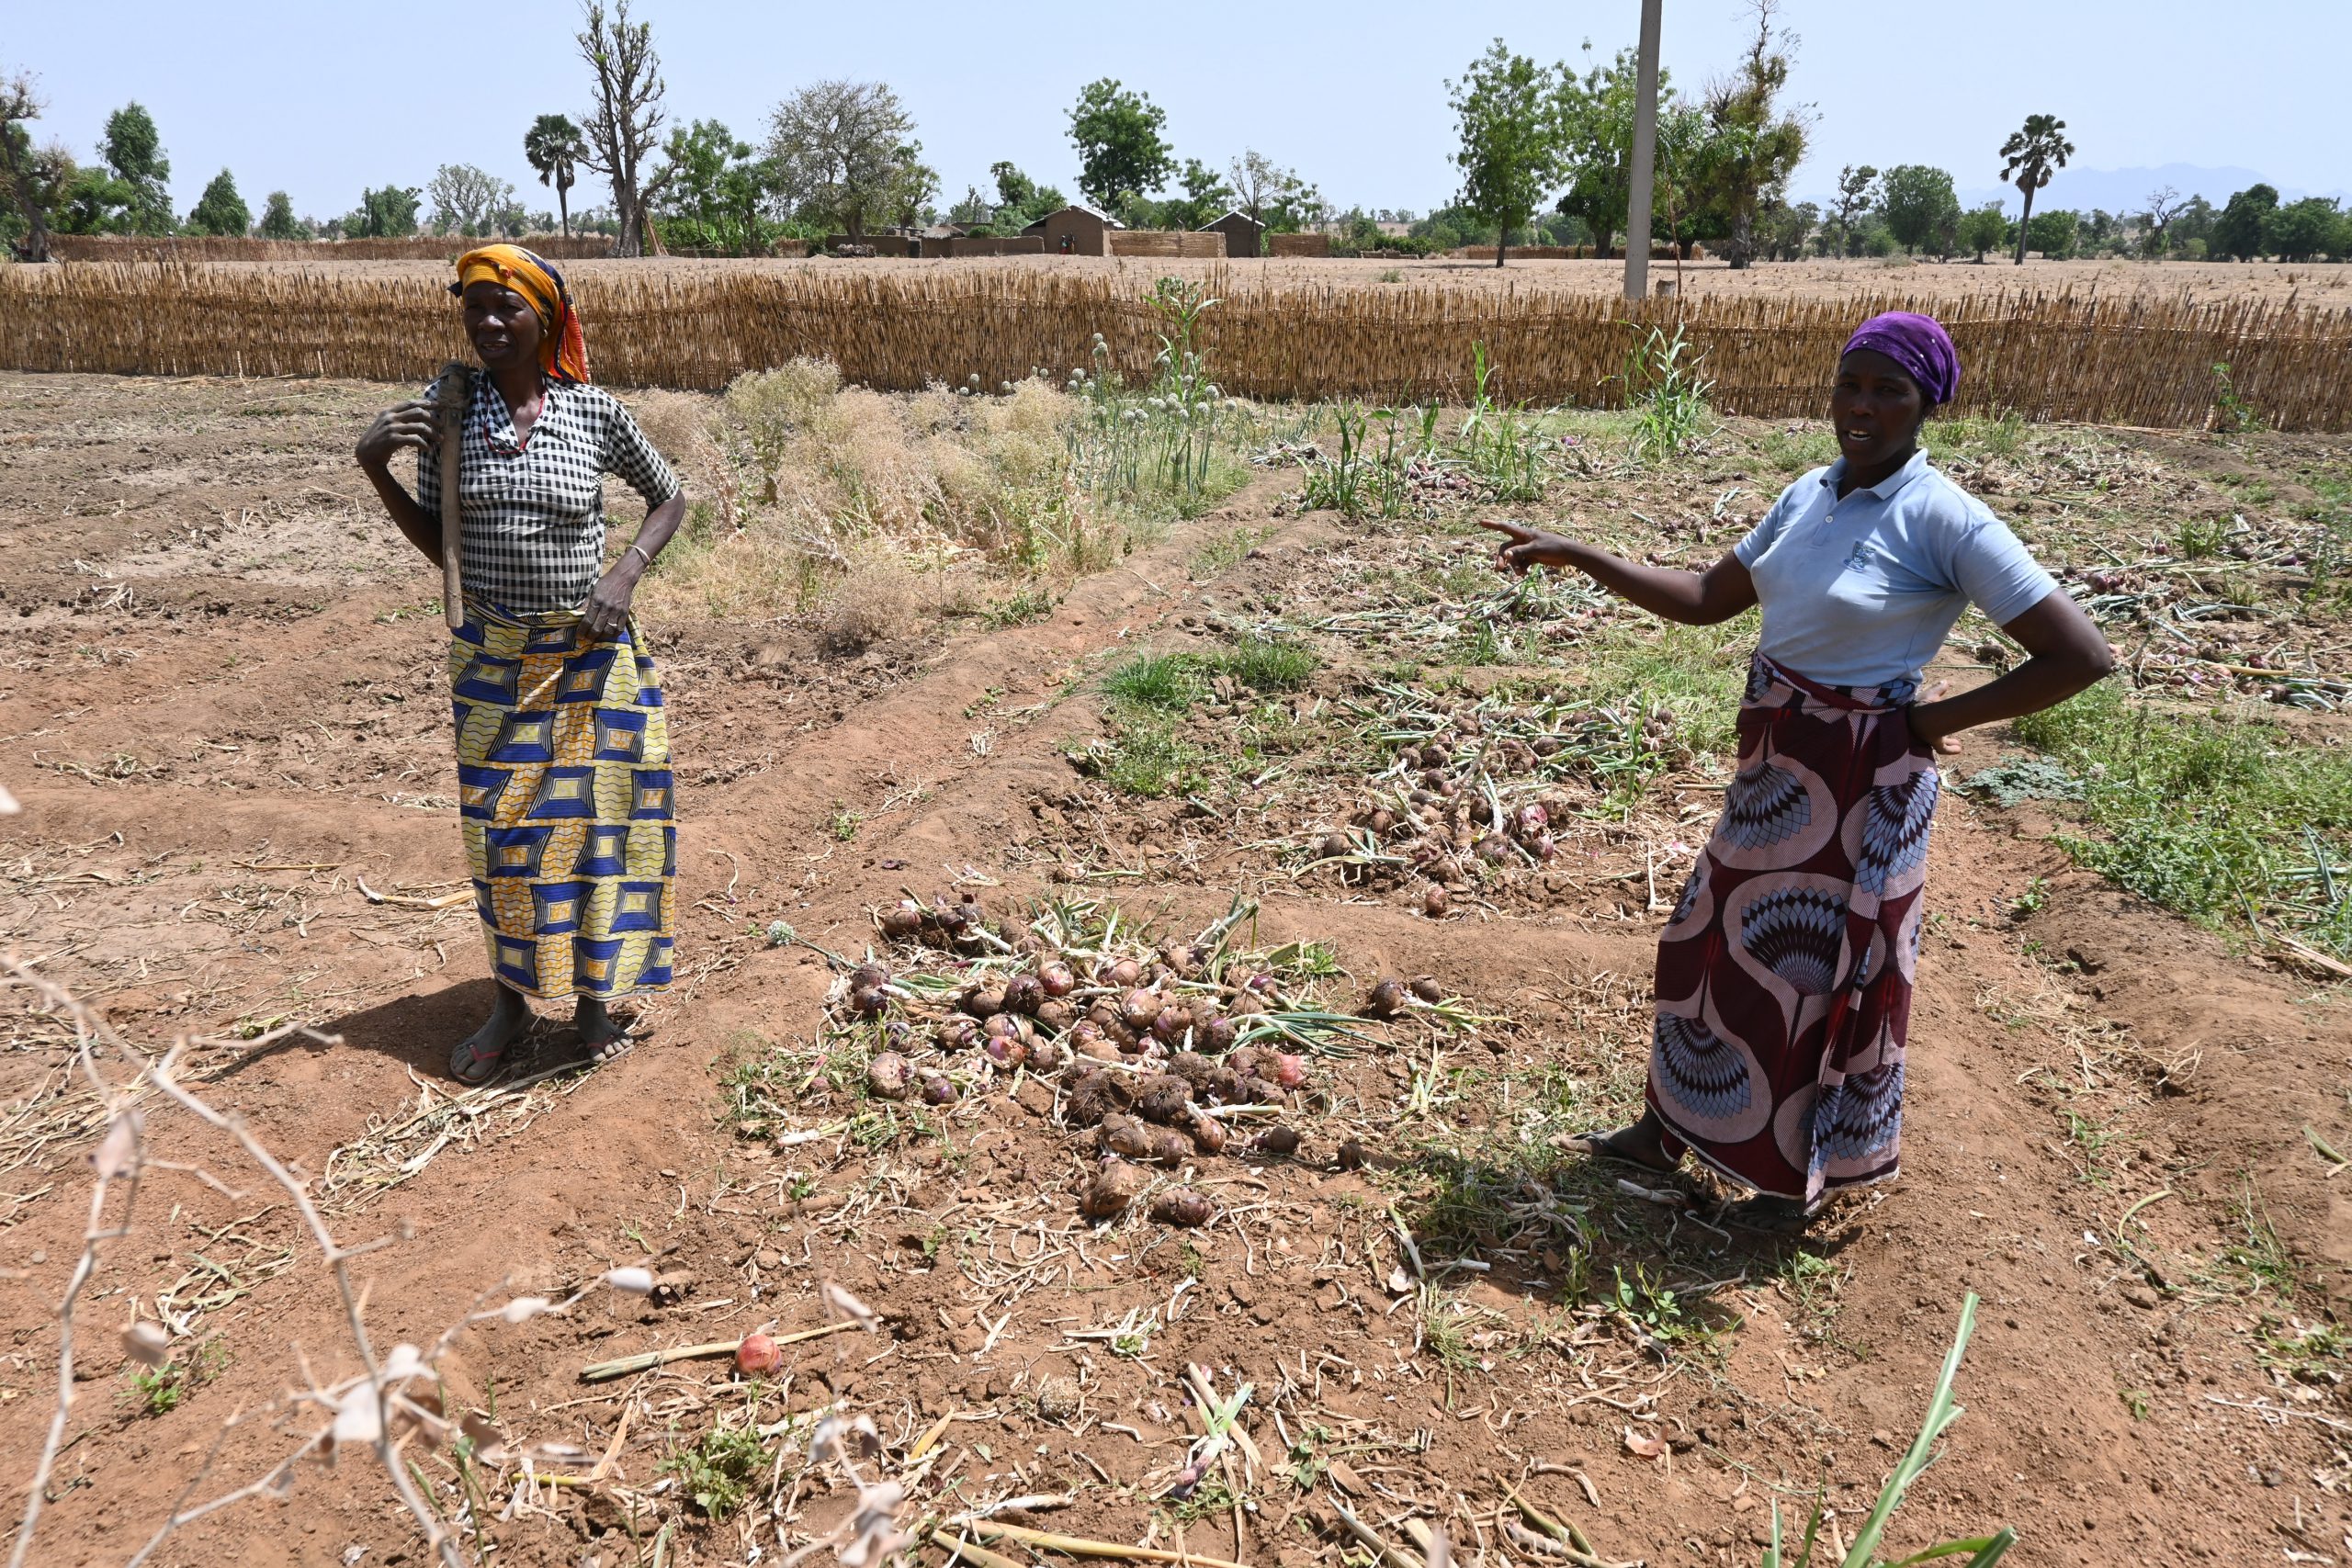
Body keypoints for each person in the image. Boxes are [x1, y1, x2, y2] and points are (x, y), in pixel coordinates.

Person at [1482, 311, 2113, 1230]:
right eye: (1849, 385)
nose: (1860, 407)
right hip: (1779, 760)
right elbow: (1707, 599)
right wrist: (1583, 555)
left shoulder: (1943, 515)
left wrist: (1929, 721)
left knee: (1818, 977)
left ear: (1926, 403)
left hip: (1860, 779)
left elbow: (2079, 656)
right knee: (1705, 939)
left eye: (1887, 391)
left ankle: (1792, 1185)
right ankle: (1671, 1130)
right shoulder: (1808, 493)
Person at [354, 244, 688, 1085]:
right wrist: (375, 467)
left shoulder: (593, 411)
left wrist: (626, 570)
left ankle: (591, 1003)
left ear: (547, 318)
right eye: (475, 308)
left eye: (507, 308)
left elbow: (671, 495)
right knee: (504, 835)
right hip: (496, 657)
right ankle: (511, 999)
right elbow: (445, 547)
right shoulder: (449, 410)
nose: (489, 323)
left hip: (589, 658)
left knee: (597, 831)